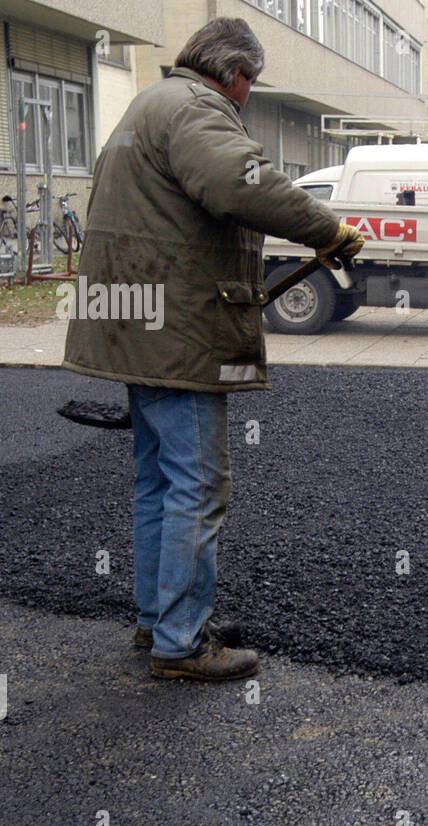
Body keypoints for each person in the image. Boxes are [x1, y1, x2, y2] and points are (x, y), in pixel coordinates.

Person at [63, 18, 364, 681]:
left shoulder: (149, 104)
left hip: (132, 325)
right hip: (179, 332)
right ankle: (181, 643)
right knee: (197, 487)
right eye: (250, 83)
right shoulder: (197, 109)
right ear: (232, 72)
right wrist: (328, 228)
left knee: (158, 482)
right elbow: (240, 183)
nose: (248, 96)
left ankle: (159, 619)